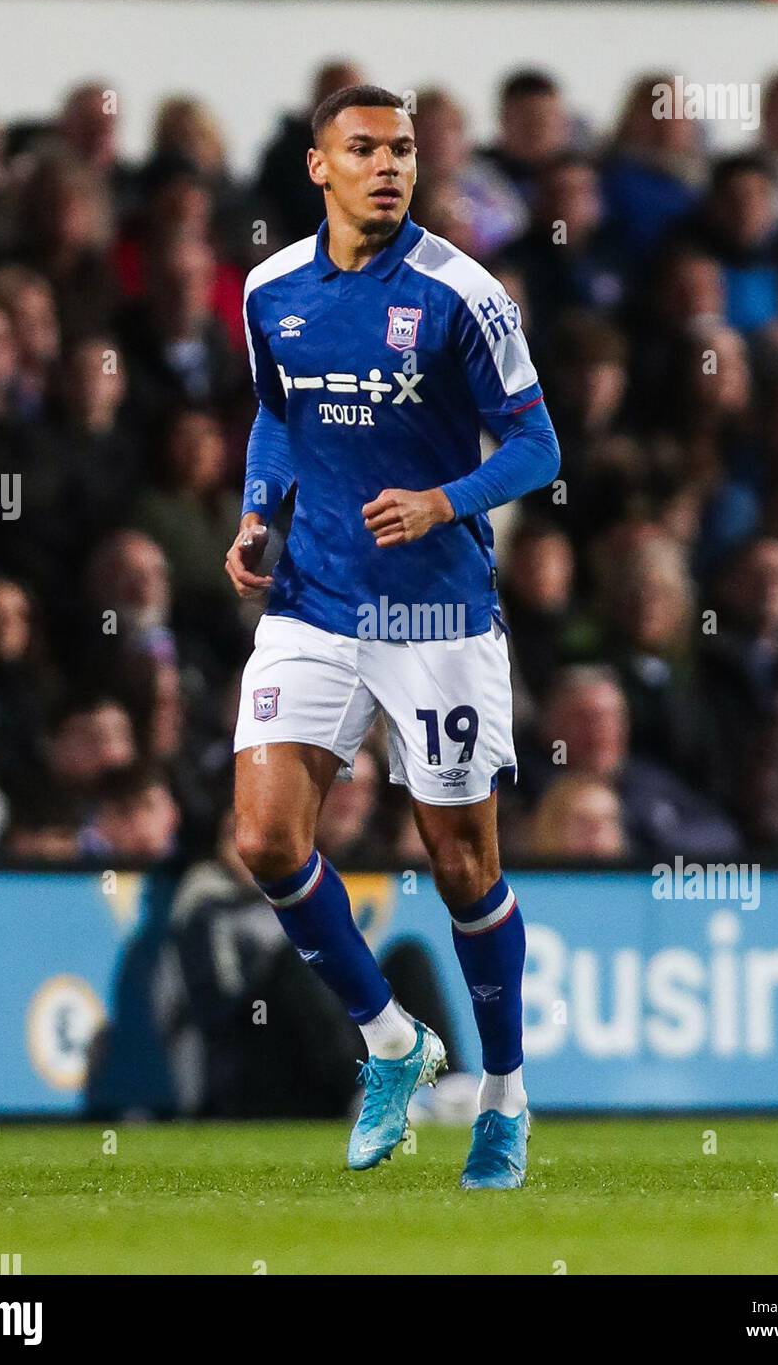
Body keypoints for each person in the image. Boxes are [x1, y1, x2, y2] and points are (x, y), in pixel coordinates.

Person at [225, 85, 560, 1190]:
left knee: (461, 864)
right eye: (363, 149)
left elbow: (537, 445)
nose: (388, 166)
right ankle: (392, 1042)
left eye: (404, 150)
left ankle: (503, 1099)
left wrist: (443, 499)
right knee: (267, 840)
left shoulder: (464, 294)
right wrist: (256, 514)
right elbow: (279, 410)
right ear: (316, 165)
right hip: (313, 601)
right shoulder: (270, 289)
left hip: (433, 614)